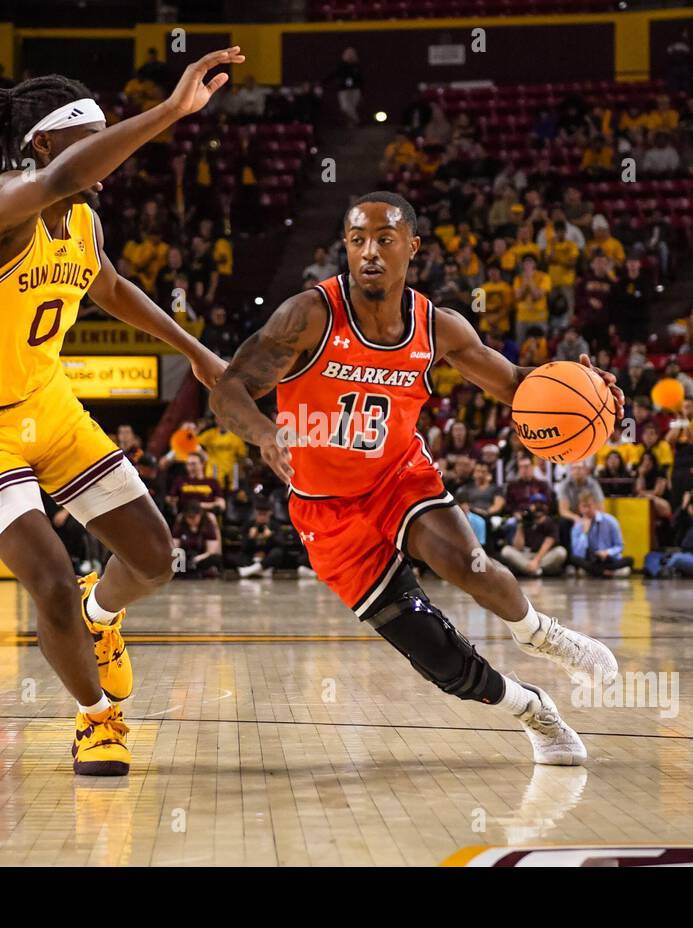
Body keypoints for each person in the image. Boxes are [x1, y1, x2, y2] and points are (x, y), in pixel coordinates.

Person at [0, 51, 240, 775]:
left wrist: (199, 354)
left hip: (45, 402)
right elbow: (59, 180)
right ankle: (97, 720)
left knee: (156, 557)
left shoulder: (82, 222)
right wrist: (171, 113)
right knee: (50, 578)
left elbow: (112, 289)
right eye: (85, 136)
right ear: (44, 147)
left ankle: (103, 617)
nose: (102, 153)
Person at [210, 191, 621, 766]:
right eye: (357, 241)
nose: (369, 252)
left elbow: (512, 383)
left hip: (399, 477)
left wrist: (583, 384)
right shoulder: (308, 315)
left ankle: (545, 636)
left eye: (384, 239)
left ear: (413, 247)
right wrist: (263, 432)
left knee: (468, 564)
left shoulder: (439, 327)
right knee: (439, 658)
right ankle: (532, 710)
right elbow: (227, 387)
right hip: (325, 510)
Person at [643, 486, 693, 577]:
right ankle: (661, 572)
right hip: (682, 554)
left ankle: (665, 567)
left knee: (677, 558)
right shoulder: (690, 517)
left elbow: (688, 544)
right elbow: (673, 526)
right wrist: (683, 508)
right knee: (650, 556)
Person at [500, 493, 568, 577]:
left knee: (561, 552)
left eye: (541, 504)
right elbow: (518, 547)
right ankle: (536, 571)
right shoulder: (525, 521)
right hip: (526, 555)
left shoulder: (550, 522)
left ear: (546, 507)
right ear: (530, 506)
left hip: (543, 556)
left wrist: (536, 561)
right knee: (506, 551)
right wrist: (520, 525)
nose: (538, 507)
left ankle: (528, 569)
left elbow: (548, 543)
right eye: (535, 504)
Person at [568, 491, 632, 577]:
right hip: (590, 559)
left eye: (589, 506)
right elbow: (577, 553)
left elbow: (620, 546)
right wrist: (584, 533)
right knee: (573, 559)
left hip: (608, 559)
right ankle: (605, 572)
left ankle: (596, 572)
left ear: (595, 505)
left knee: (629, 560)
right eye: (584, 506)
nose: (586, 510)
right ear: (579, 508)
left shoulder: (610, 521)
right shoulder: (578, 525)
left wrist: (607, 552)